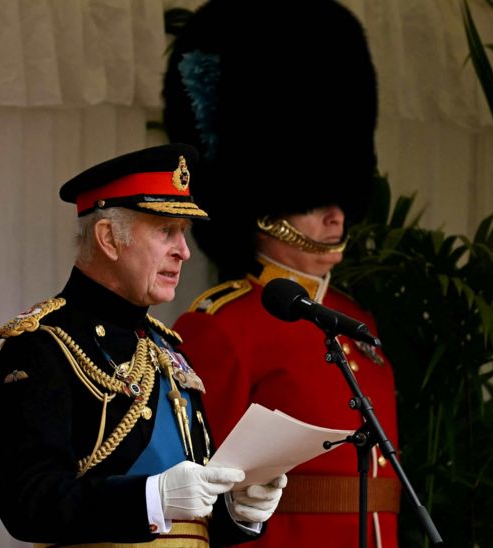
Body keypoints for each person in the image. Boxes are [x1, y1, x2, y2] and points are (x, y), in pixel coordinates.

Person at [163, 1, 400, 546]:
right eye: (312, 200)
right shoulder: (221, 326)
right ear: (263, 209)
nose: (335, 215)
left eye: (338, 197)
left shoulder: (356, 319)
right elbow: (203, 485)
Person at [0, 144, 286, 547]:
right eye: (165, 231)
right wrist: (151, 497)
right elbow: (29, 504)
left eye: (184, 233)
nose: (184, 251)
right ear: (108, 238)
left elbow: (191, 521)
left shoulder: (167, 347)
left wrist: (234, 509)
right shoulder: (40, 347)